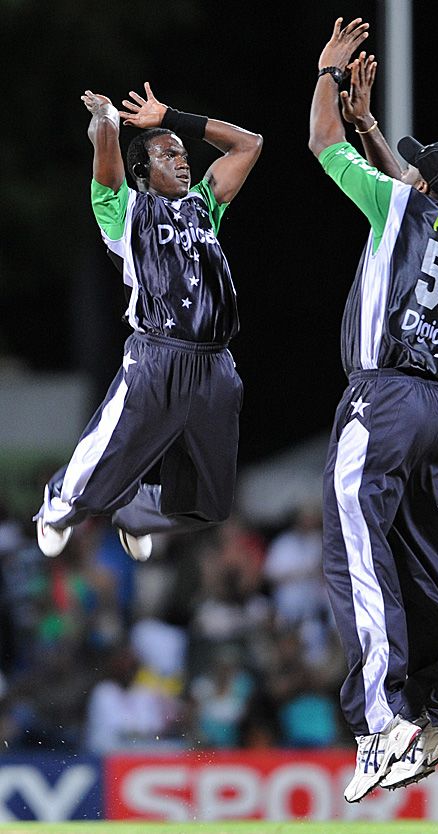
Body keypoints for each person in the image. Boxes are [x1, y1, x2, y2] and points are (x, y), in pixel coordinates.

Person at [309, 17, 438, 802]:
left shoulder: (402, 209)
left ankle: (384, 723)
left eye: (411, 170)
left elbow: (321, 147)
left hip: (380, 394)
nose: (398, 170)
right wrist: (374, 125)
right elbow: (404, 188)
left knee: (352, 537)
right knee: (414, 551)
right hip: (433, 404)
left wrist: (328, 81)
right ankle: (432, 715)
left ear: (421, 186)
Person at [34, 82, 262, 562]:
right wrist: (107, 125)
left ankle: (138, 512)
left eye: (183, 155)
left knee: (213, 504)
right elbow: (108, 162)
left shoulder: (205, 204)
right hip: (158, 355)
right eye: (168, 156)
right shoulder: (125, 209)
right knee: (107, 458)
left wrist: (172, 119)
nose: (183, 161)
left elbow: (249, 144)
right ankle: (59, 501)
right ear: (144, 170)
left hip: (217, 364)